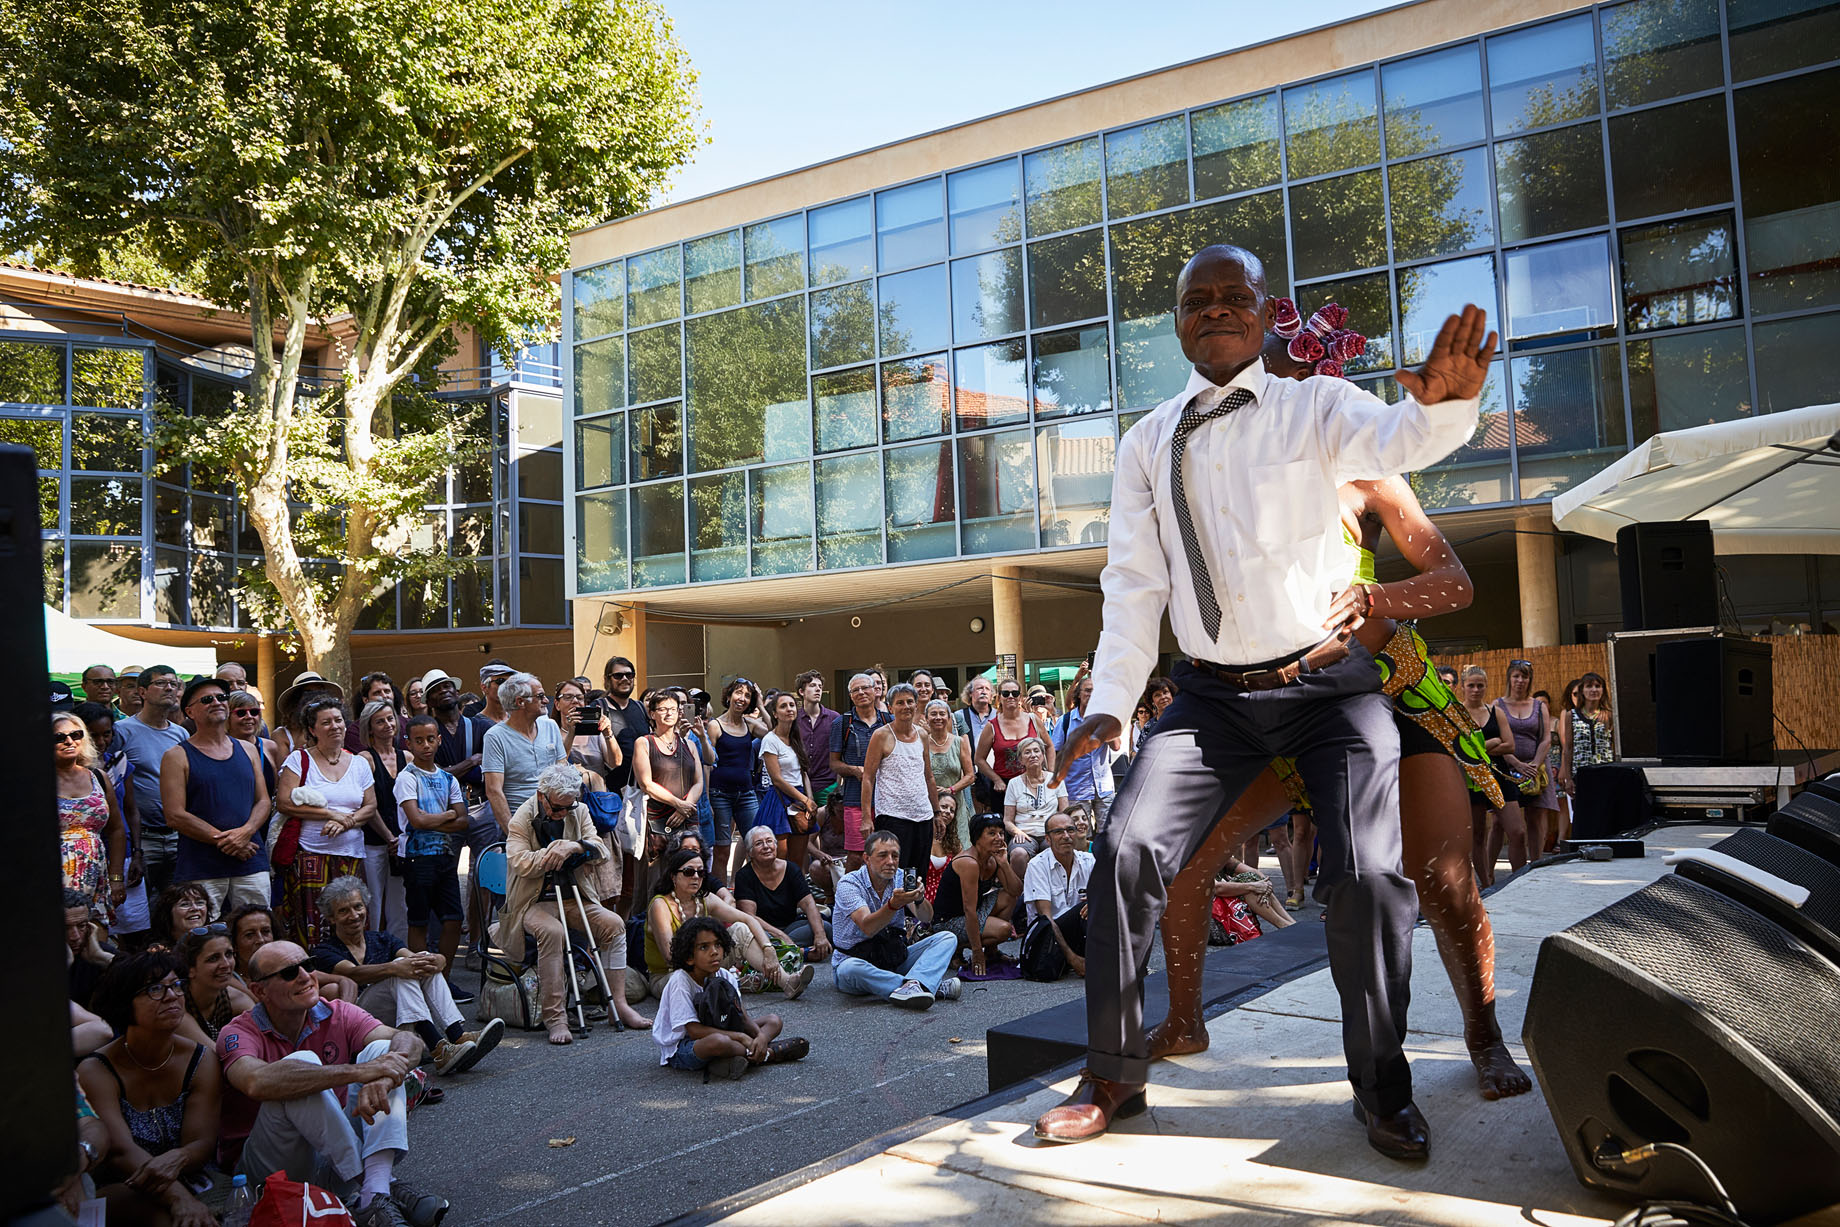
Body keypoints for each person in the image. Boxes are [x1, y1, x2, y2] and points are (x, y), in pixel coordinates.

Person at [1036, 244, 1494, 1153]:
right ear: (1177, 322)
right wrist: (1113, 704)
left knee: (1369, 878)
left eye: (1232, 296)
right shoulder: (1144, 441)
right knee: (1125, 848)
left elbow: (1398, 439)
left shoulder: (1319, 406)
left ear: (1262, 310)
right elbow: (1133, 587)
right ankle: (1114, 1076)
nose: (1215, 309)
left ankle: (1381, 1086)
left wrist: (1445, 405)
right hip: (1212, 700)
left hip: (1331, 689)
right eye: (1195, 299)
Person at [217, 940, 446, 1227]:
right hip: (269, 1171)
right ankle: (376, 1184)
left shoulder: (335, 1011)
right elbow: (255, 1082)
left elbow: (409, 1042)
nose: (305, 976)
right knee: (299, 1067)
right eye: (289, 973)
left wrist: (385, 1075)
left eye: (308, 965)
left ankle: (373, 1191)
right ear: (259, 990)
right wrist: (357, 1073)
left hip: (333, 1157)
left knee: (382, 1051)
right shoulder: (238, 1031)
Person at [498, 763, 653, 1041]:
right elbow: (519, 861)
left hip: (573, 895)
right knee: (552, 932)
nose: (561, 814)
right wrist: (551, 854)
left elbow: (601, 849)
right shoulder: (522, 816)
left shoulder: (577, 809)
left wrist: (576, 846)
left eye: (567, 808)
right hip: (532, 901)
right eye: (556, 808)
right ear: (541, 795)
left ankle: (618, 1004)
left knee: (615, 925)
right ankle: (555, 1017)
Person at [79, 951, 221, 1227]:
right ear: (124, 1002)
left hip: (193, 1176)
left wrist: (179, 1157)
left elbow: (202, 1142)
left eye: (176, 985)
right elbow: (120, 1151)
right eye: (155, 989)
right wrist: (179, 1198)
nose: (171, 996)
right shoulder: (97, 1069)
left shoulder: (201, 1060)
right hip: (123, 1183)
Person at [311, 876, 502, 1075]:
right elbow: (352, 973)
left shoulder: (382, 939)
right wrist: (395, 969)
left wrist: (437, 960)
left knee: (420, 961)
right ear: (331, 918)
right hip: (362, 1016)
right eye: (343, 911)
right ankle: (438, 1047)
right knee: (400, 968)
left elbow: (415, 961)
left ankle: (457, 1036)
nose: (354, 915)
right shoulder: (325, 950)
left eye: (358, 907)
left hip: (398, 1012)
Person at [640, 846, 808, 1007]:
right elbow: (671, 957)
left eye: (701, 872)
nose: (696, 877)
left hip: (705, 966)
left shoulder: (705, 899)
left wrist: (768, 949)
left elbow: (748, 919)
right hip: (670, 975)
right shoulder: (660, 905)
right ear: (673, 876)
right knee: (684, 980)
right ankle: (730, 982)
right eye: (689, 872)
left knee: (740, 930)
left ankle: (788, 982)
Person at [274, 696, 377, 952]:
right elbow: (284, 803)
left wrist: (347, 821)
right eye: (326, 722)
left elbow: (370, 806)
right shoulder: (299, 760)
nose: (335, 726)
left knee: (352, 922)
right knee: (311, 923)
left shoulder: (359, 763)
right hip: (310, 856)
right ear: (312, 729)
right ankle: (314, 980)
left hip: (351, 857)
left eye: (339, 720)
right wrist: (331, 815)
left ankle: (356, 977)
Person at [162, 676, 270, 916]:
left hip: (250, 860)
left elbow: (263, 801)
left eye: (222, 697)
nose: (217, 702)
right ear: (190, 711)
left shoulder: (248, 749)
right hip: (201, 866)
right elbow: (174, 815)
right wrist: (227, 841)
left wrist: (245, 832)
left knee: (257, 930)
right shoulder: (176, 756)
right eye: (207, 699)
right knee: (203, 937)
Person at [652, 917, 807, 1079]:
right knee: (719, 1042)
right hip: (685, 1046)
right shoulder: (680, 981)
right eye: (704, 947)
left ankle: (738, 1057)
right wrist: (741, 1037)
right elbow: (694, 1031)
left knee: (773, 1021)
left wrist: (759, 1036)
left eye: (718, 944)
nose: (714, 951)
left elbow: (742, 1016)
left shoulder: (724, 975)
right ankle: (768, 1054)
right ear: (689, 957)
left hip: (724, 1029)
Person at [831, 830, 961, 1008]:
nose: (890, 862)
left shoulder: (901, 877)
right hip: (858, 962)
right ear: (867, 858)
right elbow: (867, 927)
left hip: (892, 960)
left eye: (895, 856)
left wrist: (919, 898)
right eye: (882, 855)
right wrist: (893, 905)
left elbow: (926, 917)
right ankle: (926, 985)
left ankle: (913, 986)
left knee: (947, 938)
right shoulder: (849, 884)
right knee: (849, 969)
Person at [394, 716, 469, 982]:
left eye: (430, 739)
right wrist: (447, 816)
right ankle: (422, 981)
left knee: (453, 919)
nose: (425, 745)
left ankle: (443, 981)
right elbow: (416, 820)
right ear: (409, 744)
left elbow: (463, 820)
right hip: (417, 858)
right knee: (419, 921)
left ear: (438, 740)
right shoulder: (407, 777)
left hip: (445, 857)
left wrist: (435, 820)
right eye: (418, 740)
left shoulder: (448, 778)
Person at [78, 701, 151, 940]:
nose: (100, 742)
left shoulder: (119, 764)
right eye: (93, 735)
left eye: (106, 734)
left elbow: (131, 811)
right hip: (85, 858)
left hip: (124, 855)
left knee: (131, 930)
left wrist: (138, 853)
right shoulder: (68, 772)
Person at [117, 666, 190, 898]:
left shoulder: (181, 734)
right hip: (143, 838)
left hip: (178, 836)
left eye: (173, 683)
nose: (169, 688)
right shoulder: (122, 731)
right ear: (142, 692)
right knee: (140, 909)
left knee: (177, 906)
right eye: (160, 683)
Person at [631, 689, 704, 904]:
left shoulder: (689, 744)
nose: (669, 713)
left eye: (673, 709)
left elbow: (699, 781)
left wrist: (686, 806)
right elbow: (646, 783)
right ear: (652, 713)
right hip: (657, 821)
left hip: (687, 818)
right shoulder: (644, 742)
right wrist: (677, 804)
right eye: (662, 709)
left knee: (691, 873)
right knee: (657, 880)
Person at [56, 711, 127, 914]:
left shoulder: (98, 777)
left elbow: (116, 830)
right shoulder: (33, 783)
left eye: (76, 735)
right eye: (59, 737)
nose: (69, 741)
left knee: (96, 935)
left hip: (96, 874)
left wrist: (116, 878)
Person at [862, 682, 937, 874]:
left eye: (910, 701)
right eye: (900, 702)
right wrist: (866, 818)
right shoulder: (881, 735)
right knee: (894, 872)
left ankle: (916, 905)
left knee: (918, 875)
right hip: (893, 816)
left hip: (923, 816)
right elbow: (868, 778)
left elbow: (929, 776)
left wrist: (936, 812)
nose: (906, 706)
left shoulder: (922, 735)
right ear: (890, 707)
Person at [932, 814, 1020, 976]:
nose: (999, 838)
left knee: (1008, 897)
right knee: (1004, 930)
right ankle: (957, 947)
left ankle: (991, 952)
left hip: (971, 913)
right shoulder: (969, 862)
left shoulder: (993, 859)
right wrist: (977, 952)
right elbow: (969, 910)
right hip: (946, 923)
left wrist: (1004, 864)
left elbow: (1016, 891)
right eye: (991, 833)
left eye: (1001, 833)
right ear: (977, 837)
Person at [482, 672, 565, 835]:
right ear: (520, 702)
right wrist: (514, 834)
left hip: (556, 820)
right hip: (520, 822)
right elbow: (493, 791)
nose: (547, 701)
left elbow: (562, 771)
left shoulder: (551, 727)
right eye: (540, 696)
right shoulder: (495, 737)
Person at [733, 825, 832, 958]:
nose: (766, 846)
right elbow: (750, 916)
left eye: (769, 841)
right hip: (763, 931)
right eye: (758, 843)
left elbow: (808, 904)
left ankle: (786, 952)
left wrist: (820, 936)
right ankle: (801, 953)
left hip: (791, 928)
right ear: (750, 852)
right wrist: (781, 936)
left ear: (775, 845)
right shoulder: (744, 876)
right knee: (751, 938)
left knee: (825, 928)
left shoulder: (791, 869)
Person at [826, 673, 891, 874]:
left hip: (888, 800)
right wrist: (854, 770)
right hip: (855, 799)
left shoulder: (889, 721)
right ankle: (849, 899)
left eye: (865, 688)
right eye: (856, 690)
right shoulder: (842, 724)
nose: (861, 693)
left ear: (875, 691)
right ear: (851, 696)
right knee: (856, 855)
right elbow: (834, 764)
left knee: (888, 852)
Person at [1494, 660, 1555, 872]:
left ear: (1530, 680)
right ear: (1509, 678)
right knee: (1500, 822)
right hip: (1507, 767)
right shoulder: (1497, 705)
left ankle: (1536, 865)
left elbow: (1546, 739)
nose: (1520, 681)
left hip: (1535, 769)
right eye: (1516, 676)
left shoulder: (1539, 706)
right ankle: (1493, 874)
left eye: (1525, 677)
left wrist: (1535, 765)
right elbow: (1496, 740)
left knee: (1535, 818)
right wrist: (1517, 764)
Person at [705, 677, 768, 883]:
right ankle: (722, 898)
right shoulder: (716, 725)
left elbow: (774, 732)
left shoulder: (750, 724)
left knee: (756, 845)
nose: (742, 698)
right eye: (738, 693)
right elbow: (707, 763)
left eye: (747, 695)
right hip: (719, 794)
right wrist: (706, 798)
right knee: (722, 849)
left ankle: (753, 895)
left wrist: (760, 704)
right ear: (729, 695)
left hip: (746, 793)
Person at [228, 903, 355, 1004]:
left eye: (266, 931)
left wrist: (344, 1011)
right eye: (249, 935)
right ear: (234, 945)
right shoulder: (228, 977)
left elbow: (347, 981)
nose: (261, 940)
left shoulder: (289, 967)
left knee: (331, 989)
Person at [1021, 811, 1095, 981]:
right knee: (1081, 910)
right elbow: (1046, 919)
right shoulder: (1037, 865)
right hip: (1046, 936)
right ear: (1048, 839)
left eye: (1070, 830)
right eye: (1059, 832)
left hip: (1077, 932)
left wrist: (1097, 901)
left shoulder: (1089, 861)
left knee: (1101, 904)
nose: (1066, 836)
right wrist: (1073, 960)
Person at [357, 699, 408, 937]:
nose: (387, 724)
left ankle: (399, 953)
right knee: (373, 902)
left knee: (400, 904)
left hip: (403, 841)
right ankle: (372, 952)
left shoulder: (407, 757)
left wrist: (402, 839)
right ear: (369, 728)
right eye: (380, 721)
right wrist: (389, 838)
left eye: (390, 719)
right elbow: (368, 805)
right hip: (374, 842)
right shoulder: (365, 759)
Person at [974, 677, 1054, 816]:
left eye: (1015, 693)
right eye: (1006, 693)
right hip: (1004, 787)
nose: (1010, 696)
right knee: (1006, 829)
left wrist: (1050, 774)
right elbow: (979, 759)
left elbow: (1049, 747)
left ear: (1021, 698)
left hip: (1035, 782)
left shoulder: (1033, 719)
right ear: (999, 698)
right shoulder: (991, 726)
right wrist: (996, 780)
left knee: (1037, 824)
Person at [1051, 670, 1119, 829]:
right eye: (1088, 690)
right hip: (1075, 789)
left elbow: (1116, 745)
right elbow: (1054, 754)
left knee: (1107, 834)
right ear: (1079, 694)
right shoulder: (1066, 721)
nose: (1091, 694)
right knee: (1079, 835)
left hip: (1103, 788)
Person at [757, 689, 818, 866]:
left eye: (792, 705)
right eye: (783, 706)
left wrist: (810, 799)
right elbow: (777, 779)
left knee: (798, 858)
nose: (789, 709)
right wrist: (804, 799)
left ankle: (796, 893)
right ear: (775, 713)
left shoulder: (796, 738)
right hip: (779, 798)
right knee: (779, 856)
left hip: (800, 798)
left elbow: (803, 772)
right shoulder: (770, 740)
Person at [1459, 666, 1507, 886]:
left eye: (1480, 685)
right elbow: (1460, 750)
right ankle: (1483, 882)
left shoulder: (1494, 711)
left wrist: (1478, 749)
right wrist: (1492, 742)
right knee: (1476, 833)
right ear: (1463, 687)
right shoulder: (1456, 712)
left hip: (1496, 776)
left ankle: (1495, 880)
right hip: (1469, 780)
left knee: (1510, 829)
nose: (1476, 690)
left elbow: (1510, 744)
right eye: (1471, 685)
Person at [1002, 736, 1067, 881]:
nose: (1033, 755)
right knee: (1018, 854)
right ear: (1020, 759)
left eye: (1036, 751)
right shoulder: (1014, 784)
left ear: (1043, 756)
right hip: (1024, 833)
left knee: (1056, 850)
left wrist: (1054, 832)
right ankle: (1023, 894)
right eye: (1027, 752)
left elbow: (1064, 814)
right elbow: (1007, 820)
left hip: (1050, 832)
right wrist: (1017, 831)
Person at [179, 924, 255, 1042]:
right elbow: (212, 1052)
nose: (226, 964)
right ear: (190, 969)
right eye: (213, 958)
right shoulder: (176, 1004)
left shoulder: (236, 1000)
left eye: (229, 954)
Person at [1558, 671, 1613, 825]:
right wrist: (1569, 778)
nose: (1594, 690)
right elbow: (1568, 748)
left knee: (1604, 814)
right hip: (1581, 773)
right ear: (1582, 690)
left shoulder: (1608, 715)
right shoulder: (1571, 715)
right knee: (1583, 816)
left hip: (1605, 771)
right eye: (1589, 686)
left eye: (1598, 686)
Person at [922, 698, 975, 852]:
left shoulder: (959, 742)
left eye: (942, 714)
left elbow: (970, 775)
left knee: (960, 848)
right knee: (931, 847)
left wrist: (951, 790)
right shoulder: (920, 742)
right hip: (928, 804)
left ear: (949, 718)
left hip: (955, 804)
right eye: (933, 714)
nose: (938, 717)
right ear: (926, 718)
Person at [555, 677, 621, 789]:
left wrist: (608, 733)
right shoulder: (553, 733)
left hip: (596, 798)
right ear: (557, 704)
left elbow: (616, 762)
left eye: (580, 697)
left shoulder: (595, 734)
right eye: (568, 697)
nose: (575, 701)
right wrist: (571, 732)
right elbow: (557, 767)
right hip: (568, 799)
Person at [792, 669, 840, 809]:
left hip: (828, 784)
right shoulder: (794, 720)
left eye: (820, 686)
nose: (818, 689)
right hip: (799, 786)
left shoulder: (834, 718)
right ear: (801, 692)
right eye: (813, 686)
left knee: (830, 827)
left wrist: (838, 786)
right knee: (802, 828)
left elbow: (841, 752)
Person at [67, 887, 116, 1007]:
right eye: (65, 928)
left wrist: (101, 957)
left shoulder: (97, 951)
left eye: (81, 926)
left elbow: (140, 978)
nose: (75, 936)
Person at [148, 882, 213, 952]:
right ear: (168, 913)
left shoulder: (215, 943)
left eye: (200, 903)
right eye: (185, 904)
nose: (195, 908)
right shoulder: (158, 951)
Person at [953, 676, 995, 752]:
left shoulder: (999, 715)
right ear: (970, 693)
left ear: (991, 695)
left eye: (987, 689)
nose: (984, 692)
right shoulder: (959, 716)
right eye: (980, 688)